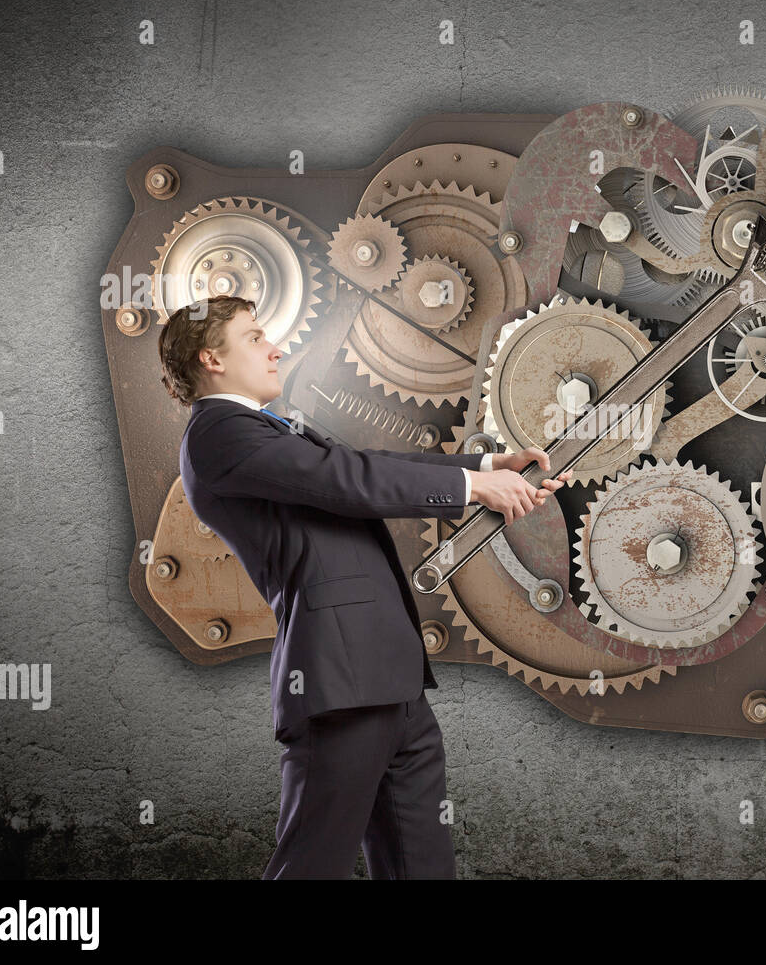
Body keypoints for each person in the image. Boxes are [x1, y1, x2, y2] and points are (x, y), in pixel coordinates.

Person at [157, 294, 571, 878]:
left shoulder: (259, 431)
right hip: (342, 681)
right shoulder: (218, 434)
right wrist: (470, 491)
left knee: (420, 865)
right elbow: (345, 479)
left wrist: (483, 470)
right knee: (311, 864)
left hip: (386, 677)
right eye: (253, 337)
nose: (274, 348)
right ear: (211, 359)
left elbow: (361, 462)